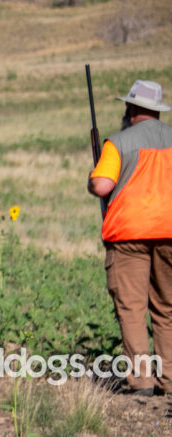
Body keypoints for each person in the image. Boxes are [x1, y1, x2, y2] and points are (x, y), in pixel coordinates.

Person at [88, 79, 172, 396]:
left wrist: (92, 174)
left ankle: (142, 382)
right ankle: (169, 380)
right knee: (167, 309)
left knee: (132, 308)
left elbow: (101, 187)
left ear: (134, 108)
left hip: (129, 236)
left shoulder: (118, 143)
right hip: (170, 233)